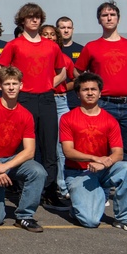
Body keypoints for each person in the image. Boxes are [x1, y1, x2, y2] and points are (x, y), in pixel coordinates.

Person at [74, 1, 127, 205]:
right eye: (104, 15)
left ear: (118, 18)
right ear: (99, 20)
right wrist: (92, 89)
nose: (109, 18)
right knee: (102, 151)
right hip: (104, 104)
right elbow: (77, 71)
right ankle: (103, 193)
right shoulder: (91, 47)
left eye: (112, 14)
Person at [0, 3, 68, 210]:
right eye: (30, 17)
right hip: (24, 99)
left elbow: (62, 71)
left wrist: (48, 84)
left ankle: (50, 191)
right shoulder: (14, 45)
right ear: (22, 21)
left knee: (50, 146)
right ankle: (24, 190)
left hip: (47, 99)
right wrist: (14, 88)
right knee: (24, 146)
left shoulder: (51, 46)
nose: (34, 20)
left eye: (37, 17)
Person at [59, 72, 127, 232]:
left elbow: (118, 153)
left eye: (93, 89)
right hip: (78, 173)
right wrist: (95, 159)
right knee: (90, 221)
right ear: (78, 94)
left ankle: (126, 218)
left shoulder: (110, 120)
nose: (90, 93)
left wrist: (104, 164)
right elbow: (68, 152)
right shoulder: (67, 118)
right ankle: (77, 208)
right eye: (85, 90)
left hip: (102, 170)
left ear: (100, 93)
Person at [0, 66, 47, 232]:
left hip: (10, 162)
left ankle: (24, 216)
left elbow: (29, 151)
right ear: (0, 86)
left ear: (21, 85)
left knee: (38, 171)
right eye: (7, 84)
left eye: (14, 83)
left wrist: (5, 167)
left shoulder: (26, 115)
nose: (11, 87)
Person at [41, 24, 75, 198]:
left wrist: (61, 89)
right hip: (41, 100)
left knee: (61, 145)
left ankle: (62, 185)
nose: (49, 37)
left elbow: (75, 79)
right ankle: (43, 185)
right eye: (45, 34)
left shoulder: (65, 59)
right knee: (43, 145)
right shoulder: (38, 56)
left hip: (60, 102)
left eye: (52, 34)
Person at [56, 16, 83, 109]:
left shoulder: (81, 50)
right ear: (57, 30)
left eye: (69, 28)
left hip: (75, 99)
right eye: (63, 28)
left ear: (72, 29)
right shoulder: (53, 49)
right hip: (56, 97)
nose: (66, 31)